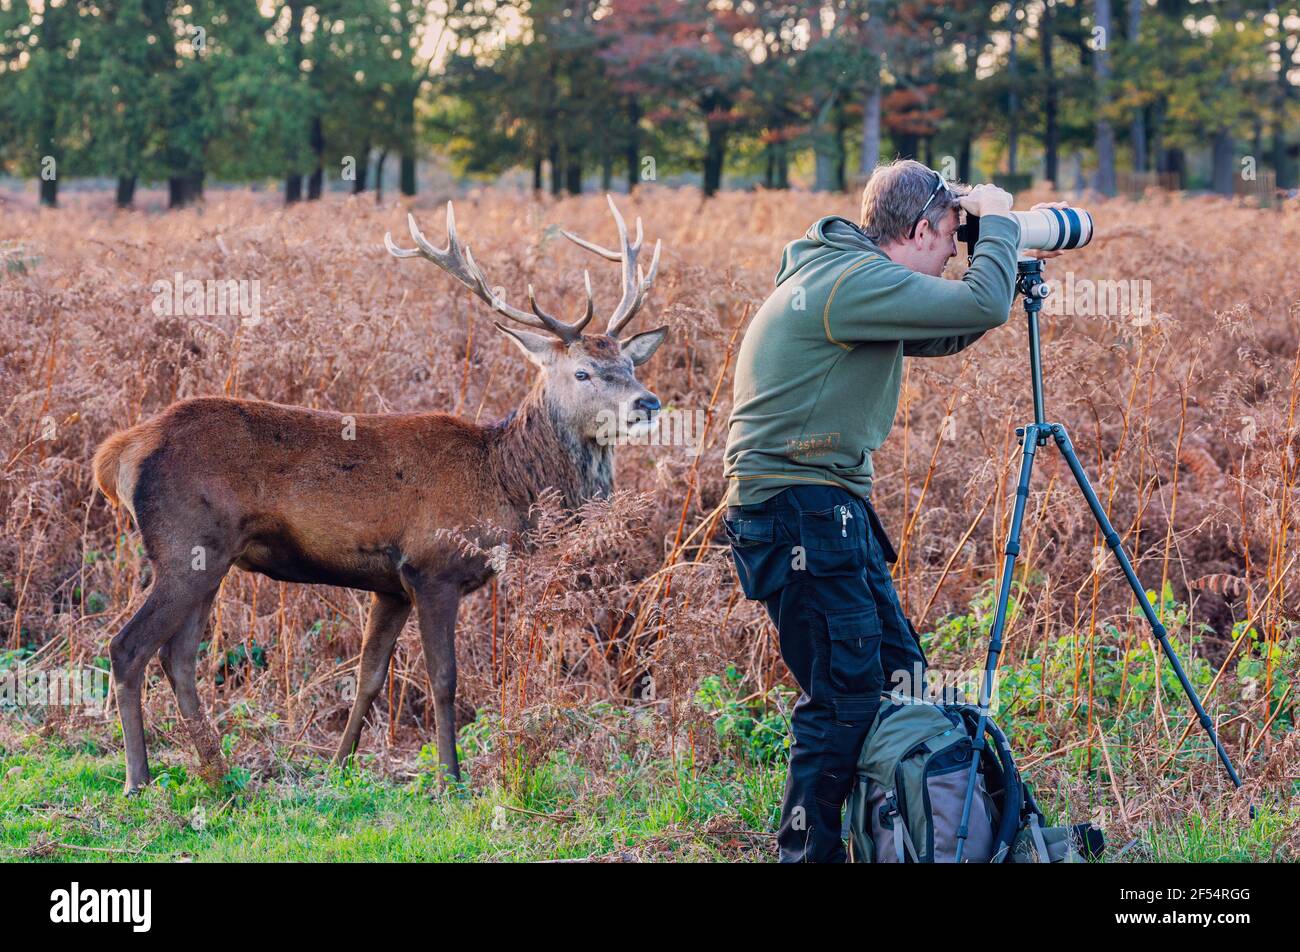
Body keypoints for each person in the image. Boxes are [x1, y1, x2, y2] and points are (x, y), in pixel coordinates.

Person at [723, 158, 1058, 863]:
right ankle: (806, 856)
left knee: (900, 678)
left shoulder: (843, 275)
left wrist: (986, 248)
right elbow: (980, 306)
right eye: (948, 238)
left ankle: (900, 839)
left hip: (820, 511)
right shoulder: (851, 280)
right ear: (918, 228)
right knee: (844, 699)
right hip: (803, 514)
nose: (948, 257)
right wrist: (997, 220)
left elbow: (953, 327)